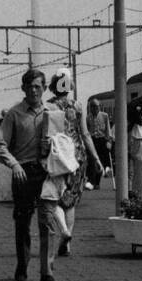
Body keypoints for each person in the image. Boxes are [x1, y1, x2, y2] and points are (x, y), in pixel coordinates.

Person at [0, 69, 61, 281]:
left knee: (47, 220)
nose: (33, 90)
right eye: (29, 86)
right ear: (23, 88)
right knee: (23, 221)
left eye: (38, 86)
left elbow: (64, 142)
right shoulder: (14, 114)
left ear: (45, 88)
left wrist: (55, 148)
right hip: (24, 172)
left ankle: (46, 272)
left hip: (47, 172)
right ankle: (22, 263)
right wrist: (14, 165)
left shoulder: (55, 112)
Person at [49, 72, 101, 257]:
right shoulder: (77, 106)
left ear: (53, 86)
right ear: (69, 86)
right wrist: (95, 158)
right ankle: (68, 242)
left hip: (56, 157)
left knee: (54, 198)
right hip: (77, 157)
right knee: (70, 202)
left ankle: (64, 231)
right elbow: (86, 135)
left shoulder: (48, 106)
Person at [86, 97, 111, 190]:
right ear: (90, 107)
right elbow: (87, 132)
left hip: (102, 140)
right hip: (92, 141)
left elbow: (108, 129)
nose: (95, 108)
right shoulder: (88, 117)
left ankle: (97, 182)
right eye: (93, 107)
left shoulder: (105, 116)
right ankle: (92, 181)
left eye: (97, 106)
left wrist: (109, 141)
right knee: (92, 162)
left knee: (101, 162)